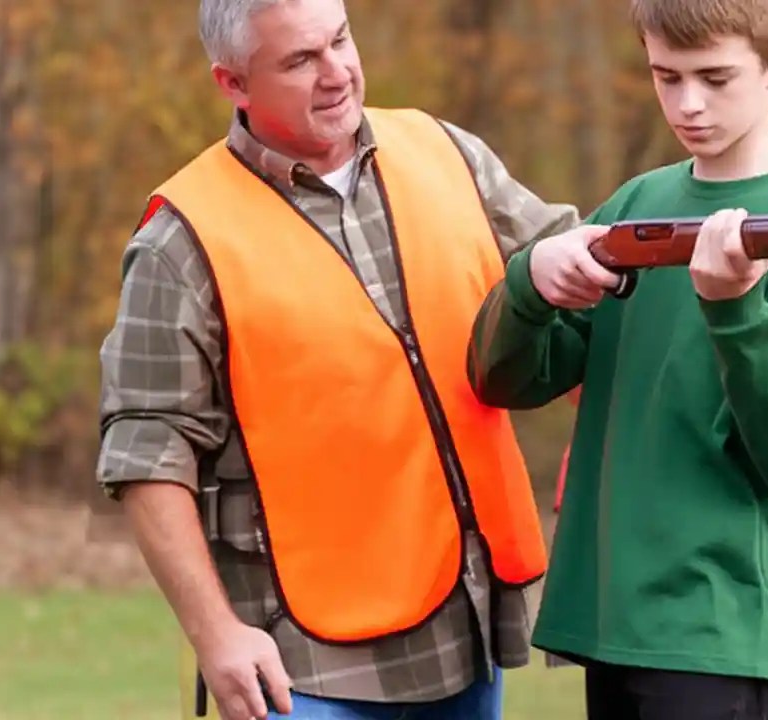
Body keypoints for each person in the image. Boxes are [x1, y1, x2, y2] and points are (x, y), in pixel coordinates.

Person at [95, 1, 597, 718]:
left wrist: (604, 411)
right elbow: (145, 456)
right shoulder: (180, 241)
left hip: (465, 640)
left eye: (340, 41)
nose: (336, 74)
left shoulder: (444, 151)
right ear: (232, 82)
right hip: (301, 667)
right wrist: (215, 635)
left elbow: (580, 285)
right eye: (300, 60)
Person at [467, 0, 768, 718]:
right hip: (615, 620)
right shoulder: (637, 204)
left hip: (722, 628)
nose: (689, 104)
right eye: (666, 76)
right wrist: (531, 281)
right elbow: (507, 381)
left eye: (715, 78)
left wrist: (735, 308)